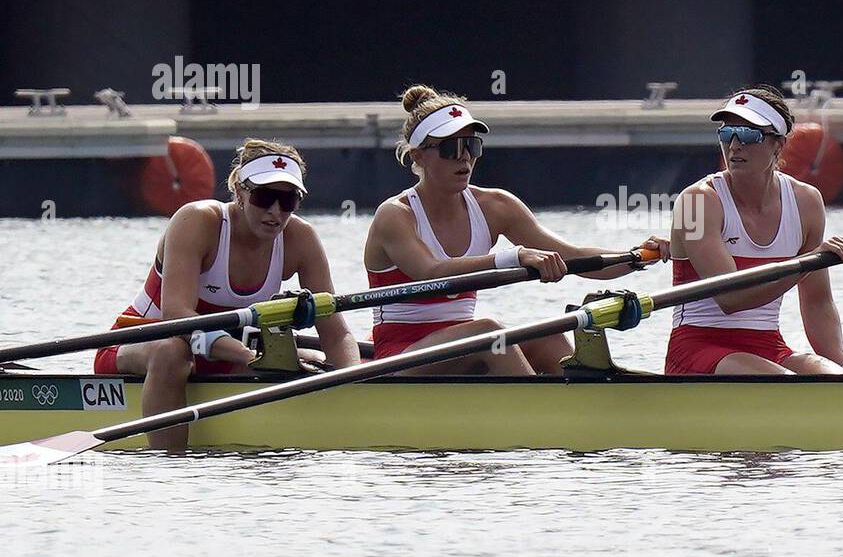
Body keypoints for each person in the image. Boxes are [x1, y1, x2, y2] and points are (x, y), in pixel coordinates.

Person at [363, 85, 668, 375]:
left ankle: (586, 412)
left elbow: (573, 257)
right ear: (418, 155)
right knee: (490, 332)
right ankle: (538, 420)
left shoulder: (495, 206)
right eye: (451, 148)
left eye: (471, 145)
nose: (464, 157)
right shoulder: (395, 215)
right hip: (400, 356)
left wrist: (635, 256)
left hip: (464, 347)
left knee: (548, 333)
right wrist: (514, 257)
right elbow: (432, 272)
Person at [94, 139, 361, 447]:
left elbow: (336, 332)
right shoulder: (198, 221)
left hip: (228, 354)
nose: (276, 212)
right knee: (172, 353)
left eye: (288, 201)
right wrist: (251, 357)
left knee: (316, 359)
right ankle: (168, 472)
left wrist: (351, 380)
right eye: (265, 196)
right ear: (240, 191)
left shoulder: (300, 239)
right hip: (143, 342)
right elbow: (177, 317)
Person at [665, 85, 843, 375]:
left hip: (768, 345)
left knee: (834, 378)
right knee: (783, 382)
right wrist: (808, 263)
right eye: (726, 134)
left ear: (778, 144)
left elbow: (817, 302)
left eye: (748, 135)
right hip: (697, 348)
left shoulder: (807, 202)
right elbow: (731, 298)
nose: (734, 146)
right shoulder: (696, 202)